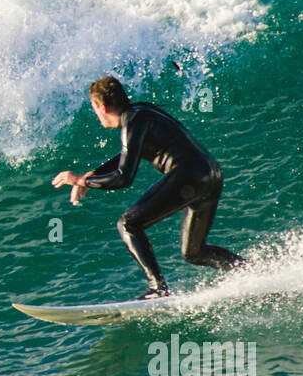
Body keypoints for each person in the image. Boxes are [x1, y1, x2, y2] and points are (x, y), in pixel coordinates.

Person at [52, 75, 245, 299]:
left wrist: (80, 180)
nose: (97, 115)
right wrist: (93, 175)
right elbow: (129, 152)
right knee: (194, 252)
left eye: (94, 109)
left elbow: (124, 177)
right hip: (210, 174)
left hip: (188, 175)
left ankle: (158, 289)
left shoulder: (132, 121)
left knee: (128, 224)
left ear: (102, 107)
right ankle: (253, 274)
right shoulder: (140, 112)